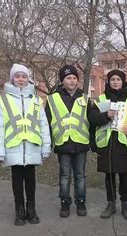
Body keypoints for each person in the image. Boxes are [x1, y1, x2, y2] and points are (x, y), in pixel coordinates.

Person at [0, 63, 51, 226]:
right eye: (17, 76)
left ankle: (31, 209)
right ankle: (19, 210)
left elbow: (43, 124)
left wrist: (46, 148)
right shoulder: (3, 100)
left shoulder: (37, 100)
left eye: (24, 76)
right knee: (17, 180)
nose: (21, 79)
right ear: (12, 78)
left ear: (28, 79)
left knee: (31, 180)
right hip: (13, 147)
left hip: (32, 147)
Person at [89, 69, 127, 220]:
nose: (115, 82)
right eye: (112, 79)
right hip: (106, 143)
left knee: (124, 176)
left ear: (123, 81)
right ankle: (110, 204)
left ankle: (125, 204)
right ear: (108, 82)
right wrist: (105, 115)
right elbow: (92, 118)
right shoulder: (100, 99)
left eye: (118, 79)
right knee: (109, 175)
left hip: (123, 143)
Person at [45, 65, 92, 218]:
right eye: (68, 78)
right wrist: (47, 143)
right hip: (63, 143)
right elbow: (46, 123)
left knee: (80, 175)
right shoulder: (52, 99)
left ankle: (81, 202)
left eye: (74, 78)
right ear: (62, 81)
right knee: (64, 176)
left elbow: (92, 119)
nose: (72, 81)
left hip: (80, 143)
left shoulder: (85, 98)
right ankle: (65, 203)